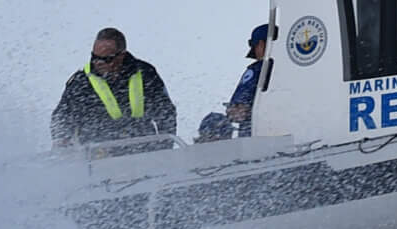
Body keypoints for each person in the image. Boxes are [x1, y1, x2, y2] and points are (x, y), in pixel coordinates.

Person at [51, 27, 179, 148]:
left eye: (107, 59)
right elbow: (61, 118)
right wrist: (64, 144)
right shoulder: (80, 83)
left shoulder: (146, 73)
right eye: (95, 57)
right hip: (97, 159)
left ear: (121, 55)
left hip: (144, 153)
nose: (98, 63)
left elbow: (165, 112)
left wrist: (164, 148)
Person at [197, 25, 268, 142]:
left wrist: (229, 114)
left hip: (253, 143)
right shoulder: (285, 70)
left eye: (254, 45)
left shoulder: (257, 70)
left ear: (260, 44)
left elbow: (240, 110)